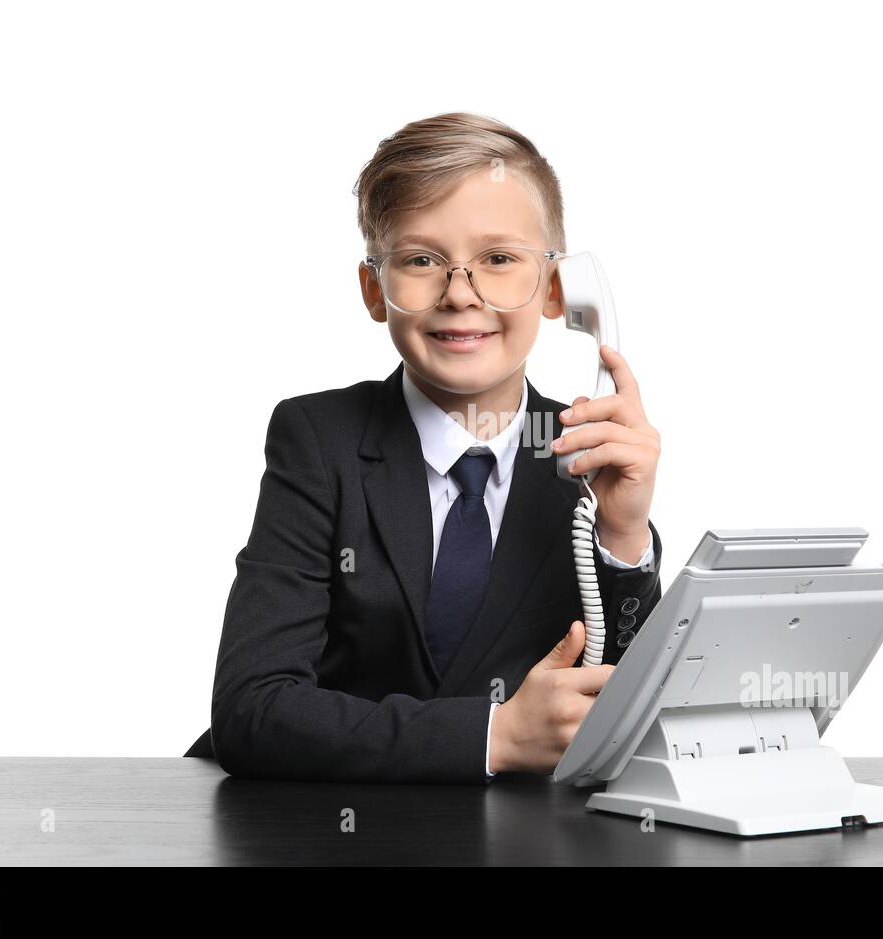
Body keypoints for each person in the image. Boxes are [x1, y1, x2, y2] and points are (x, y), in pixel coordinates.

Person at [197, 112, 663, 783]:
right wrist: (491, 737)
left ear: (559, 289)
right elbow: (253, 707)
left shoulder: (588, 455)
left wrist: (621, 535)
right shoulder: (318, 441)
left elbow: (629, 724)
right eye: (421, 261)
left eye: (498, 260)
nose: (460, 294)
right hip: (320, 828)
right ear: (374, 290)